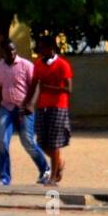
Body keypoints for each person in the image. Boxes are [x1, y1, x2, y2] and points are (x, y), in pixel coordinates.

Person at [0, 40, 49, 186]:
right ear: (3, 53)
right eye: (8, 51)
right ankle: (4, 177)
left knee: (27, 141)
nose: (11, 53)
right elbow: (0, 87)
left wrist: (31, 105)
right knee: (1, 142)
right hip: (6, 108)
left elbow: (36, 86)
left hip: (24, 109)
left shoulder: (26, 65)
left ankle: (45, 169)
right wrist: (1, 104)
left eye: (13, 50)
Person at [31, 34, 73, 185]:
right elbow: (34, 84)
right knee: (41, 142)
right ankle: (59, 162)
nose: (39, 49)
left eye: (42, 46)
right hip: (42, 107)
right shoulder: (38, 65)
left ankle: (53, 177)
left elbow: (68, 89)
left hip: (58, 106)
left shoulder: (63, 65)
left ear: (50, 48)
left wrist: (48, 88)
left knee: (54, 143)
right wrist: (28, 103)